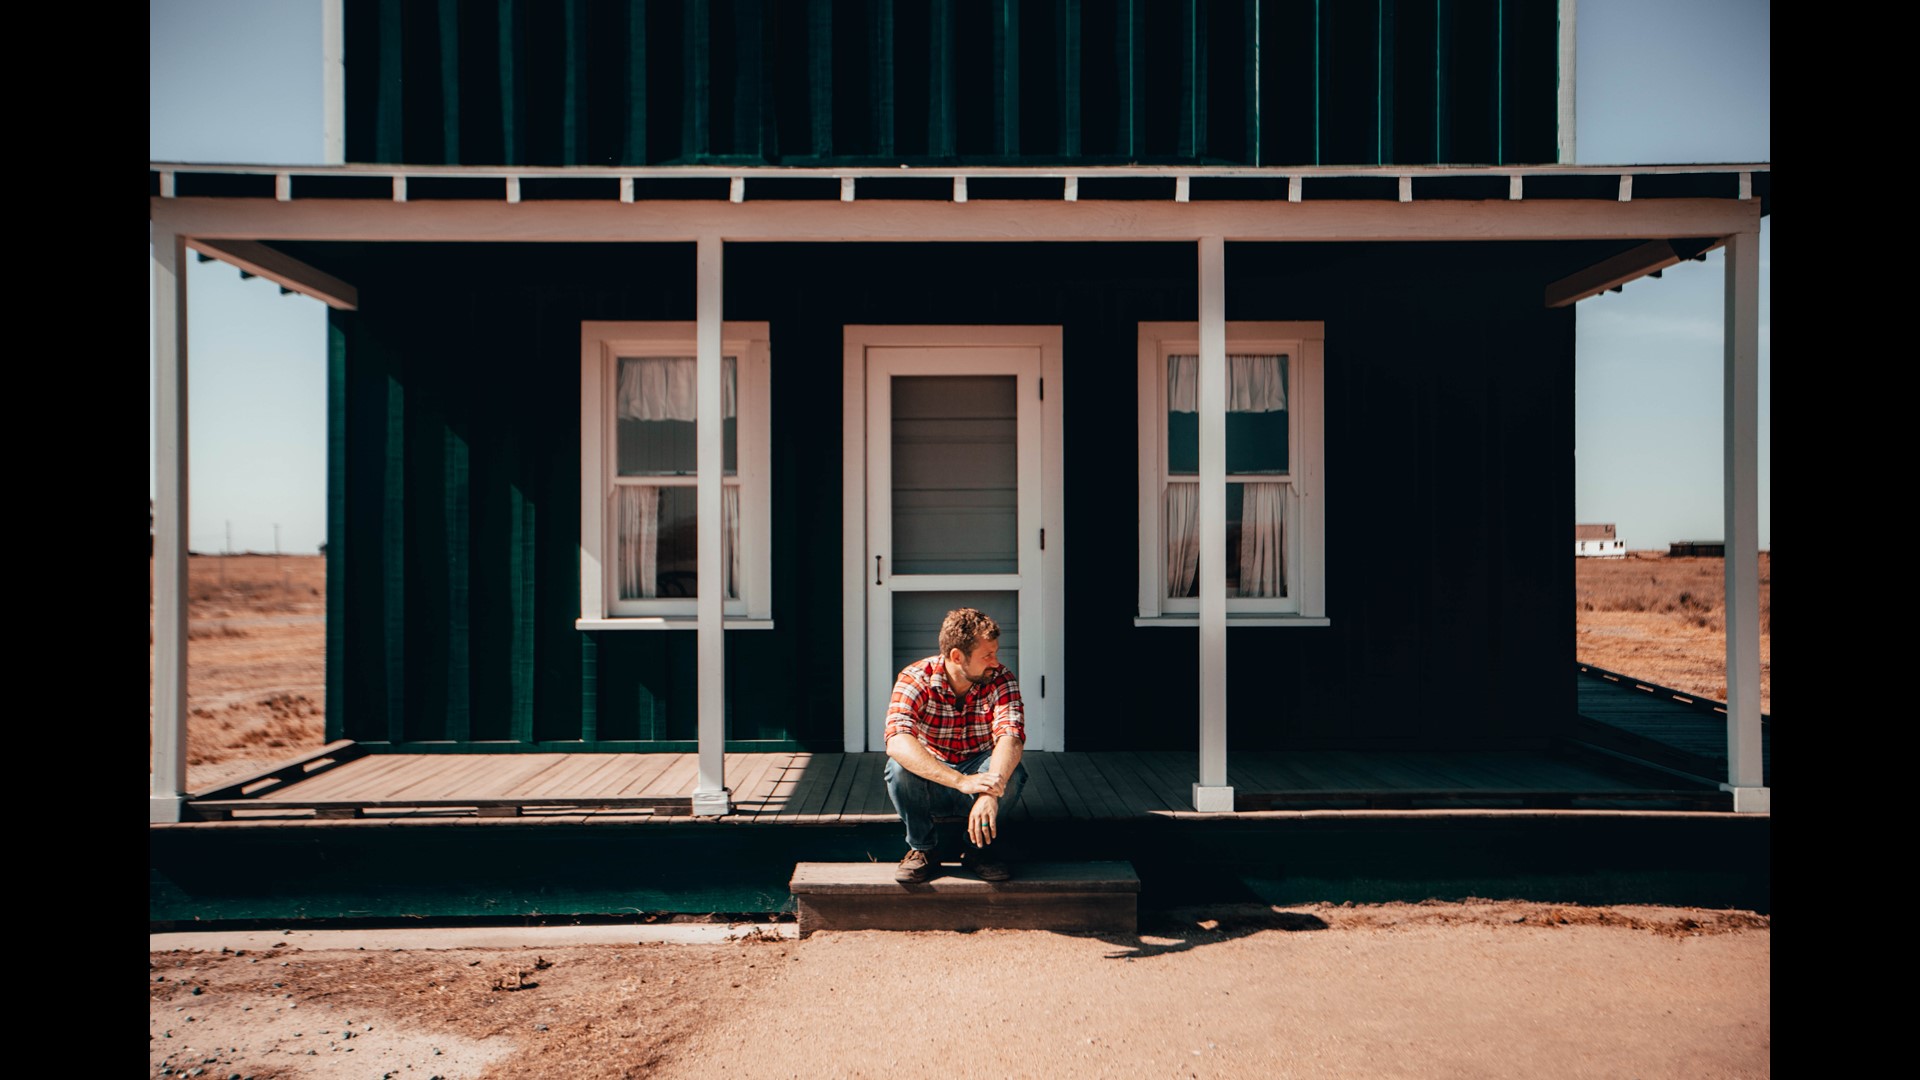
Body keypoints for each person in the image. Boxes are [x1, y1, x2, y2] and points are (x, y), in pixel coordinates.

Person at [883, 606, 1028, 883]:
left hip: (979, 768)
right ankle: (921, 849)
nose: (995, 662)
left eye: (995, 653)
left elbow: (1011, 734)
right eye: (987, 655)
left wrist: (989, 793)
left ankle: (978, 850)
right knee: (898, 768)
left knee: (1014, 771)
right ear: (957, 656)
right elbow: (897, 740)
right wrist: (960, 781)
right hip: (934, 776)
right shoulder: (915, 678)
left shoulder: (1001, 678)